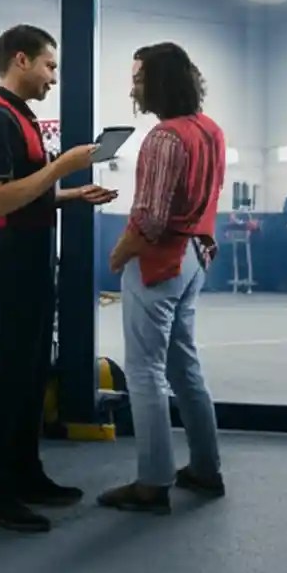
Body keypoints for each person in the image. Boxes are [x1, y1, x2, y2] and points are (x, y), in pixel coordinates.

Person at [0, 24, 117, 533]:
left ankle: (25, 475)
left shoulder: (22, 116)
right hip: (9, 263)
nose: (54, 78)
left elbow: (23, 192)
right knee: (5, 376)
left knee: (32, 374)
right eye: (50, 66)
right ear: (21, 60)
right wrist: (61, 169)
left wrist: (72, 195)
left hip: (31, 259)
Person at [99, 42, 227, 514]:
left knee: (144, 370)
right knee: (184, 366)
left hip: (160, 260)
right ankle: (206, 468)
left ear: (160, 82)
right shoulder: (210, 130)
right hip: (195, 254)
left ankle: (152, 484)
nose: (133, 88)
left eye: (139, 79)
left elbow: (150, 220)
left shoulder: (163, 138)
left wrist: (119, 253)